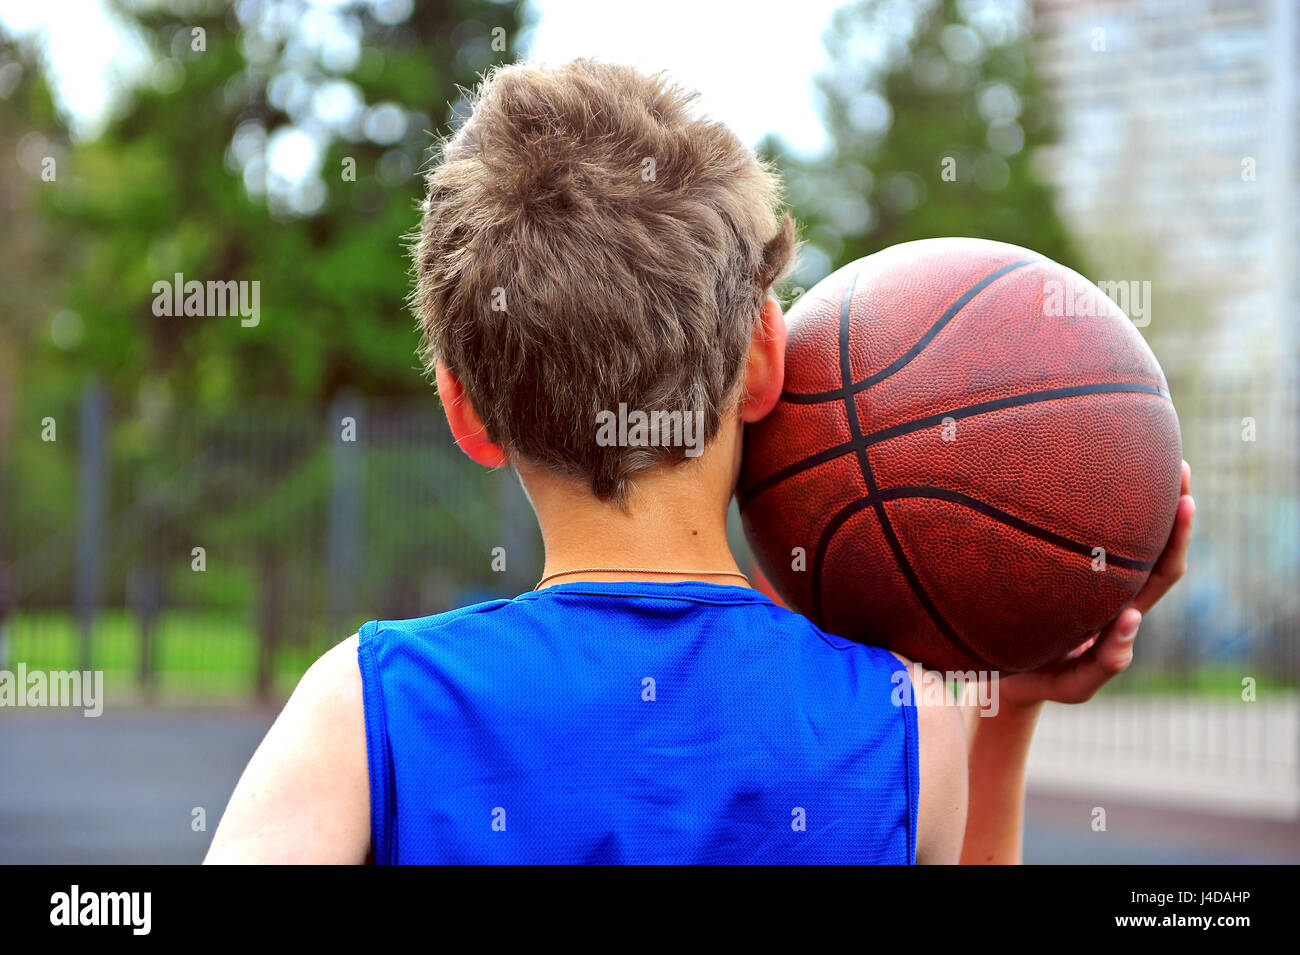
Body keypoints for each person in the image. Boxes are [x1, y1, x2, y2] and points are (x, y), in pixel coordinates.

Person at [205, 60, 1194, 864]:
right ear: (766, 355)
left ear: (465, 412)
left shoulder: (369, 708)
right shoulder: (906, 731)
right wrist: (1004, 709)